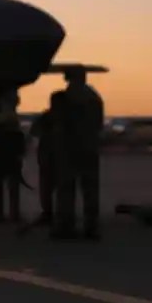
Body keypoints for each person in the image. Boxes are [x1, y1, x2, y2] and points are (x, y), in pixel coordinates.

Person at [52, 67, 105, 240]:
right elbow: (98, 124)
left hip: (70, 148)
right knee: (90, 189)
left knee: (66, 189)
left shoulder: (64, 98)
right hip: (89, 148)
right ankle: (91, 227)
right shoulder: (94, 98)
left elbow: (58, 124)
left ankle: (66, 227)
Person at [28, 94, 64, 226]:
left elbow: (34, 131)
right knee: (59, 186)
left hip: (48, 155)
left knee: (47, 187)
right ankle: (58, 213)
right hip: (57, 155)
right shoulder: (63, 117)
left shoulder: (46, 117)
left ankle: (48, 213)